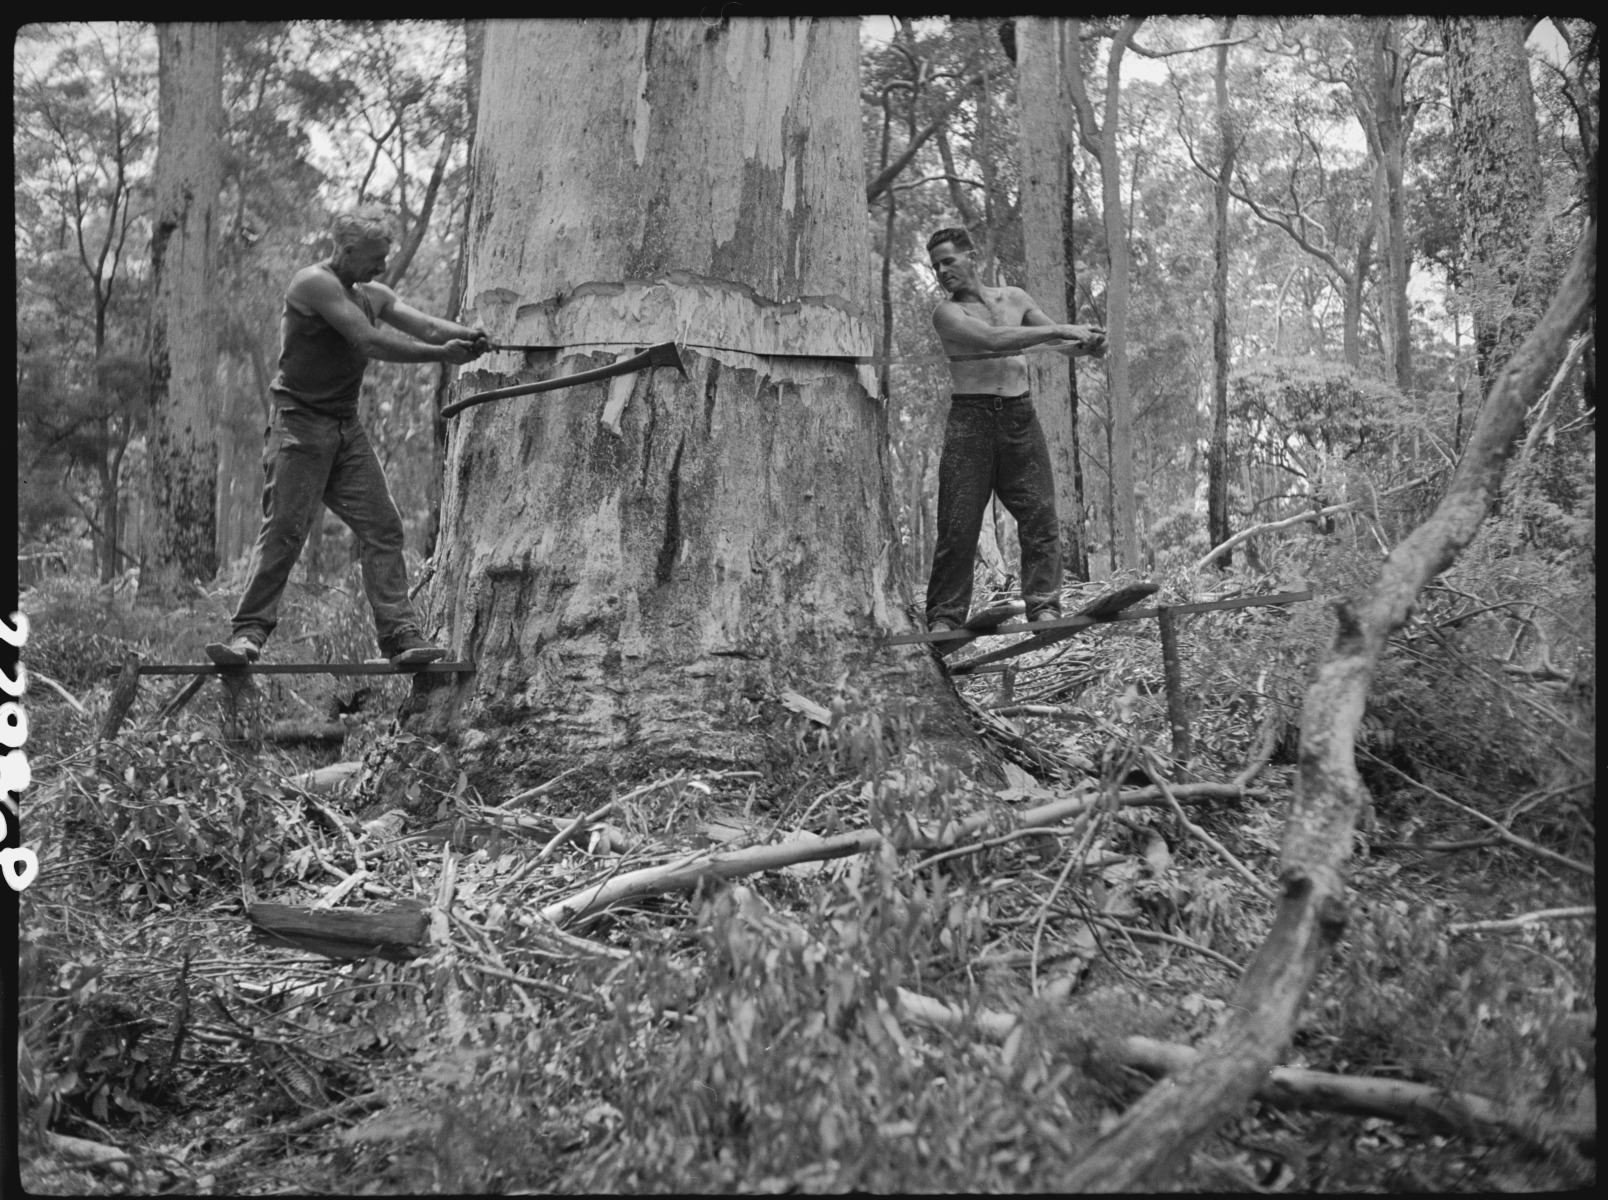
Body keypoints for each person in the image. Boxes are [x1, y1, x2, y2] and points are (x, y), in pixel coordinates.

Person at [206, 206, 488, 667]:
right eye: (375, 258)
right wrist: (442, 354)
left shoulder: (373, 292)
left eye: (385, 257)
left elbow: (430, 326)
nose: (381, 267)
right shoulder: (313, 284)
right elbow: (368, 342)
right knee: (285, 532)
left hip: (344, 428)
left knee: (383, 527)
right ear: (347, 249)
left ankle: (400, 636)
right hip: (298, 424)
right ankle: (248, 634)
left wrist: (470, 337)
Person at [923, 226, 1105, 637]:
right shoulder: (947, 313)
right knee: (959, 524)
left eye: (949, 260)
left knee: (1040, 515)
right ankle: (945, 618)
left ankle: (1043, 608)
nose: (942, 271)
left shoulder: (1016, 298)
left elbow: (1064, 345)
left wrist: (1088, 343)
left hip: (1019, 417)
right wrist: (1063, 330)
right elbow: (993, 340)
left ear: (971, 255)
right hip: (970, 421)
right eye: (936, 266)